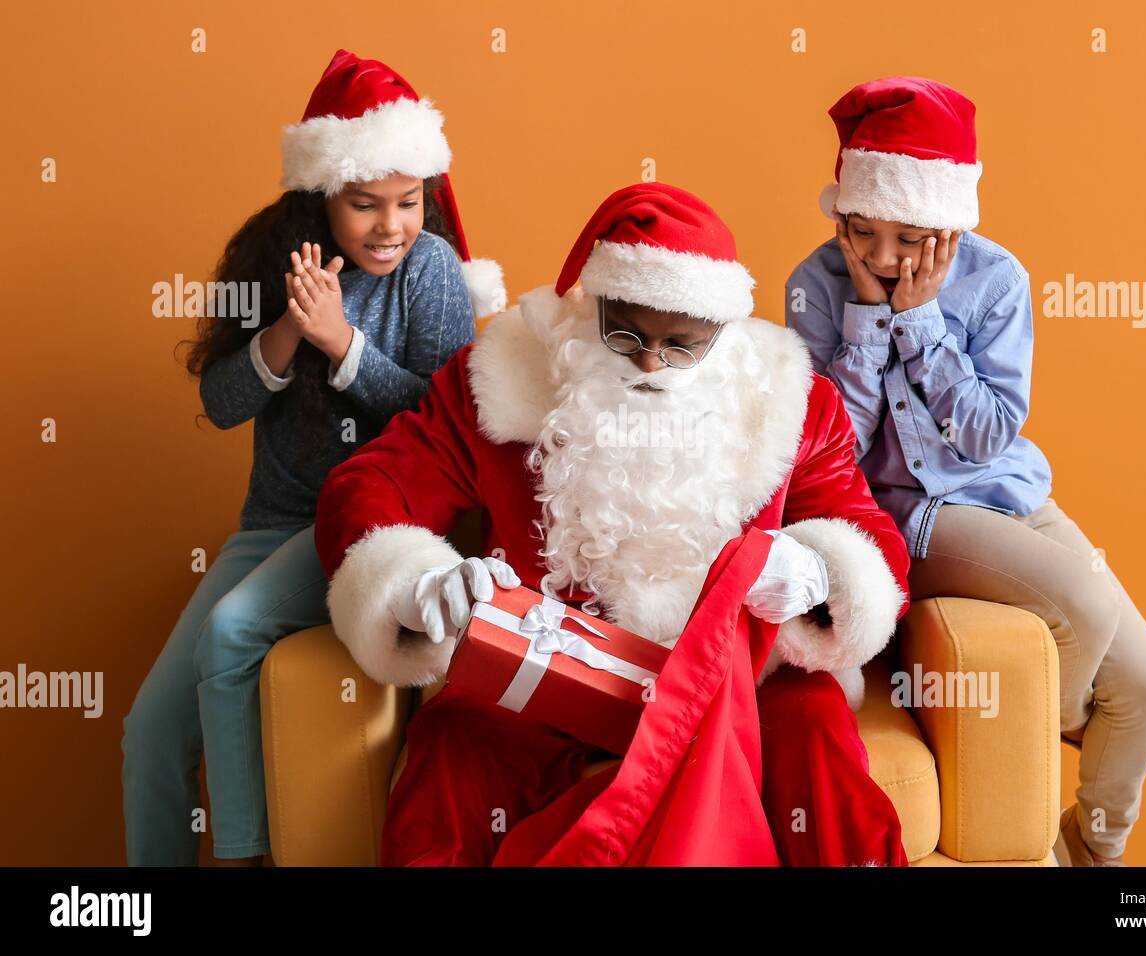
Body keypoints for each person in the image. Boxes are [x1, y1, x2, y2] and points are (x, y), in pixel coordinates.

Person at [315, 182, 913, 866]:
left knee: (815, 731)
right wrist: (416, 582)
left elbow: (865, 530)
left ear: (722, 331)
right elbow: (371, 483)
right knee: (453, 744)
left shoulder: (792, 399)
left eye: (682, 345)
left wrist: (819, 572)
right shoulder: (504, 376)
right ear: (593, 305)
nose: (652, 363)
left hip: (734, 687)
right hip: (544, 680)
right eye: (626, 335)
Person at [121, 49, 505, 866]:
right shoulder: (274, 259)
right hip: (272, 524)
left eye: (408, 202)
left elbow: (443, 424)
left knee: (231, 631)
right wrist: (291, 331)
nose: (390, 226)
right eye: (365, 204)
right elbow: (222, 406)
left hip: (370, 521)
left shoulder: (430, 271)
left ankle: (242, 858)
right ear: (322, 195)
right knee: (148, 730)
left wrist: (343, 345)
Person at [785, 76, 1146, 866]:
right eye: (863, 232)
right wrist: (868, 321)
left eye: (908, 239)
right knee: (1085, 608)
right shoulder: (815, 285)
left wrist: (922, 324)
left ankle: (1091, 854)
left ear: (947, 226)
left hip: (1009, 493)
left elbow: (989, 435)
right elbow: (835, 450)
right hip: (913, 512)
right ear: (843, 214)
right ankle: (1027, 743)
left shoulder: (998, 279)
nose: (884, 259)